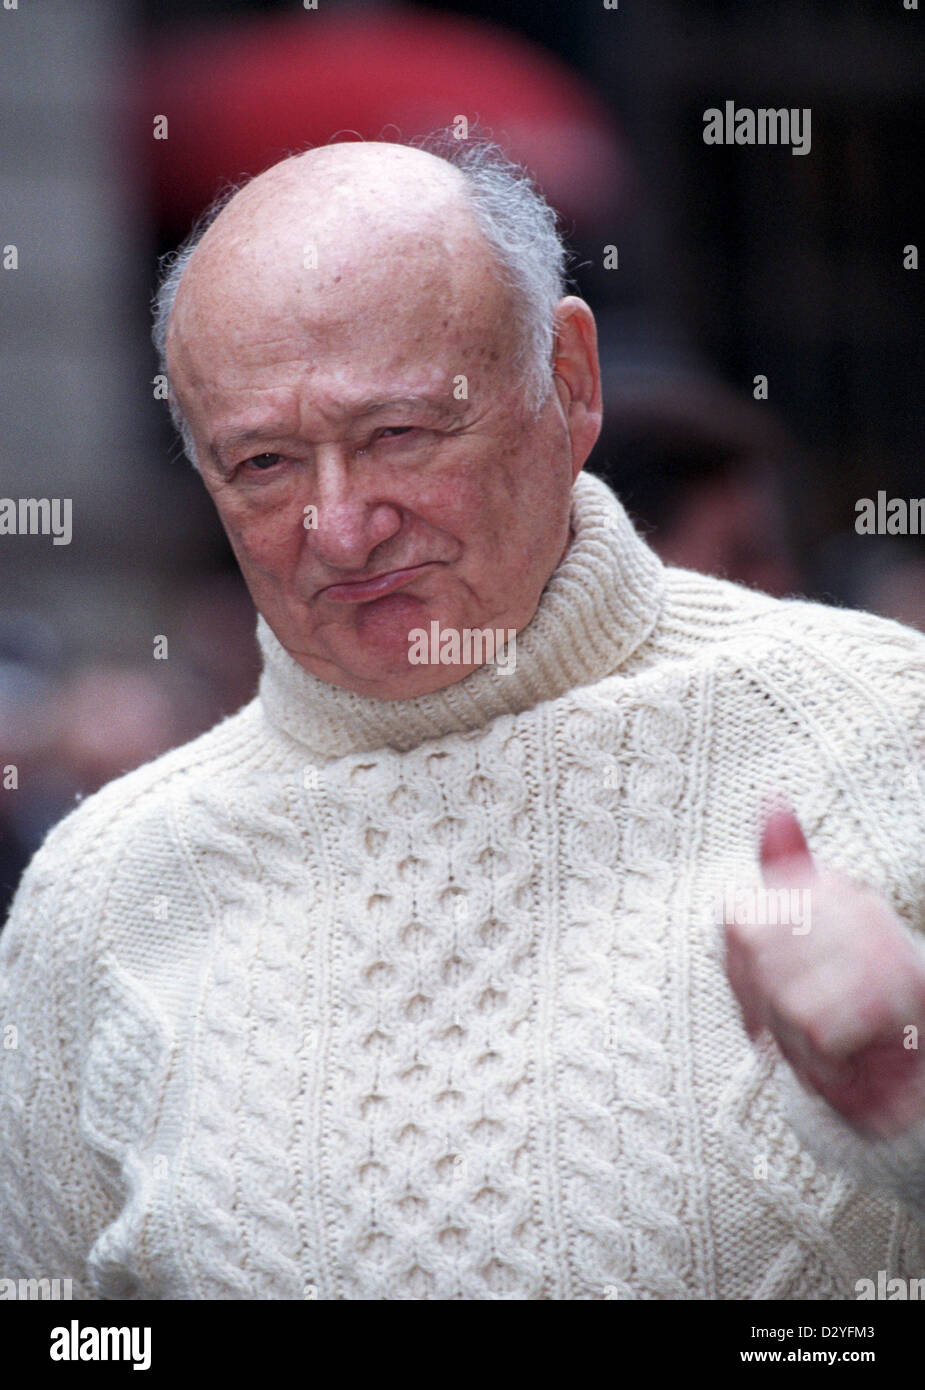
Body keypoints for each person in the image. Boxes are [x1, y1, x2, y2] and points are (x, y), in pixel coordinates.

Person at [1, 135, 924, 1302]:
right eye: (265, 462)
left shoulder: (891, 730)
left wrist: (906, 1117)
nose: (341, 529)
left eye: (399, 435)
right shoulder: (100, 892)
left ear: (569, 383)